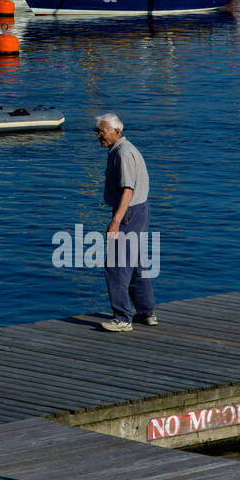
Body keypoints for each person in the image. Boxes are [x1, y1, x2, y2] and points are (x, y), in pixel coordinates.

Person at [95, 113, 157, 332]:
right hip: (138, 211)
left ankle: (122, 319)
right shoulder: (119, 150)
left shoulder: (123, 153)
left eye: (102, 131)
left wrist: (115, 221)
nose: (98, 136)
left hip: (129, 211)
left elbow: (127, 190)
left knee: (116, 265)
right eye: (97, 131)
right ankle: (146, 312)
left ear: (117, 131)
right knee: (137, 263)